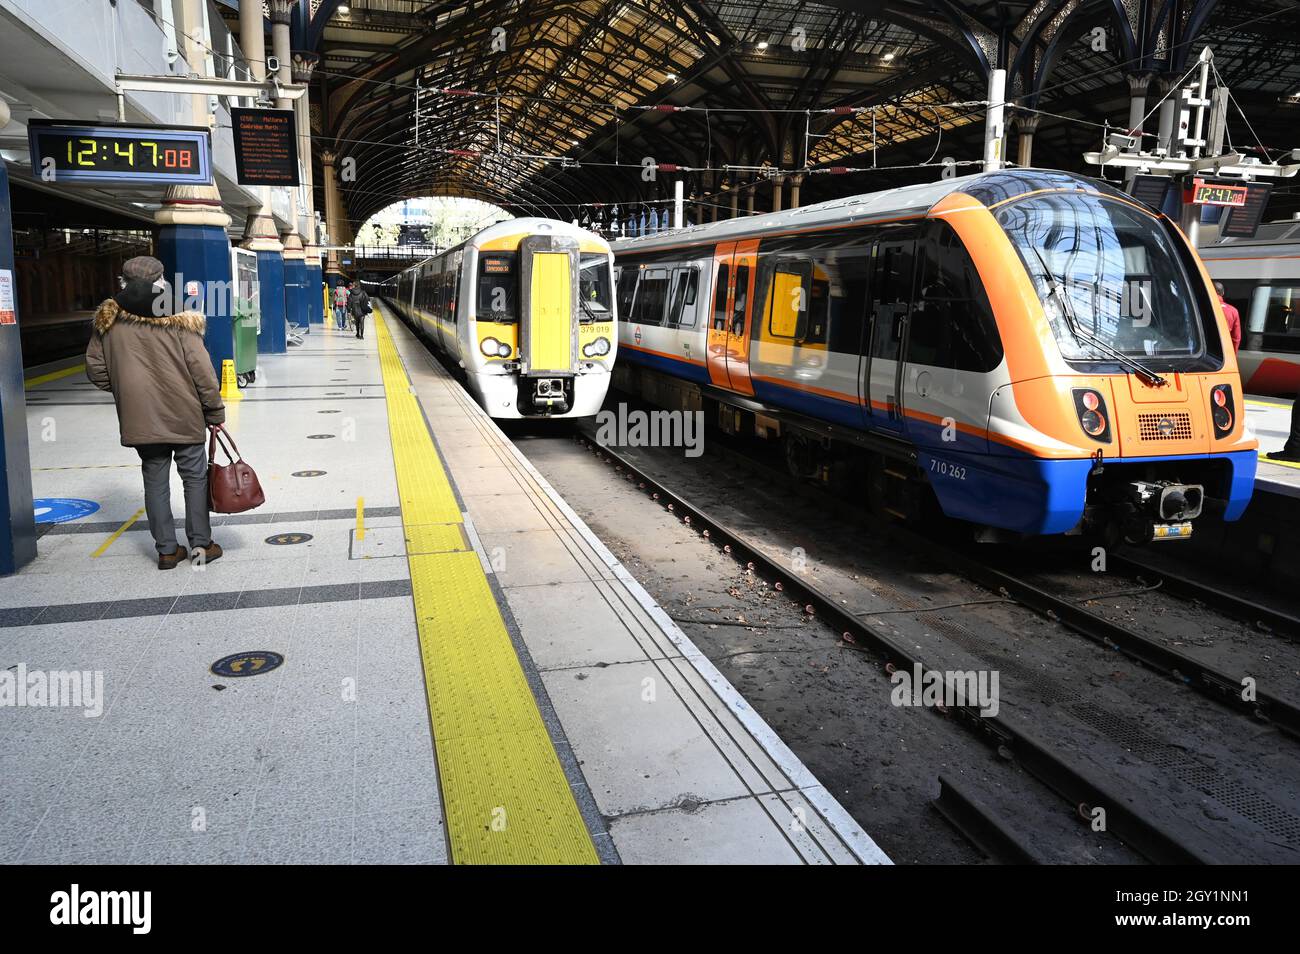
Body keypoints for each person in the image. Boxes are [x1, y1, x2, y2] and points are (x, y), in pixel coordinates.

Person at [85, 256, 226, 569]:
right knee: (194, 479)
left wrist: (127, 390)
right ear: (161, 281)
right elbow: (201, 370)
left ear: (123, 282)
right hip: (184, 414)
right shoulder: (179, 315)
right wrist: (214, 410)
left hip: (141, 419)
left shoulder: (109, 319)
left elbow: (95, 368)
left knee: (154, 481)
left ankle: (166, 551)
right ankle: (201, 545)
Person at [1214, 281, 1241, 352]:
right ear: (1222, 293)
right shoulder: (1233, 311)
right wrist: (1232, 356)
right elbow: (1236, 338)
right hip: (1224, 352)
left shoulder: (1199, 307)